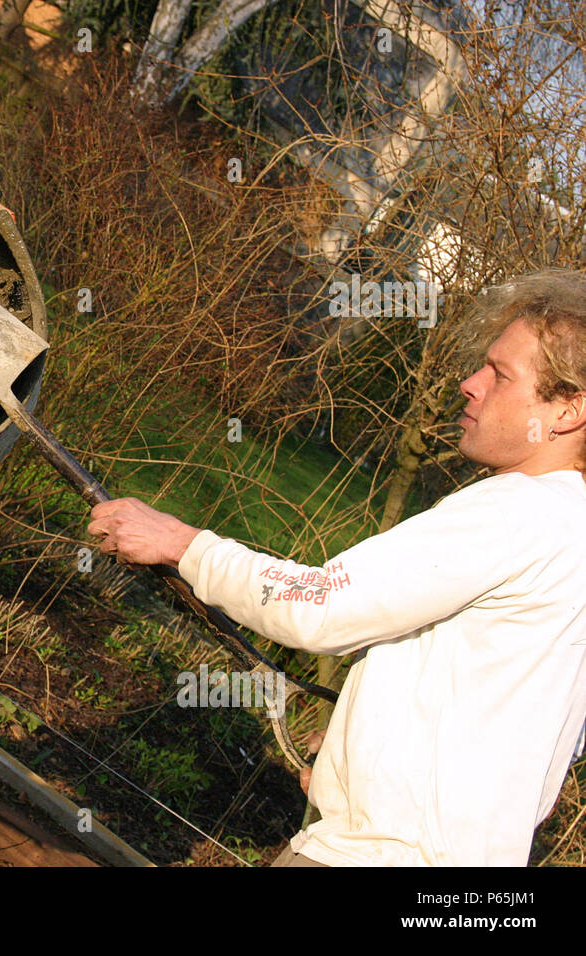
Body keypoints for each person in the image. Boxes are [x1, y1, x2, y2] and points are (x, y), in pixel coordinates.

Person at [87, 270, 586, 866]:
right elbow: (542, 734)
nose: (469, 384)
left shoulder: (516, 512)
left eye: (501, 375)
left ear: (568, 411)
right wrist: (365, 748)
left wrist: (181, 543)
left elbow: (318, 605)